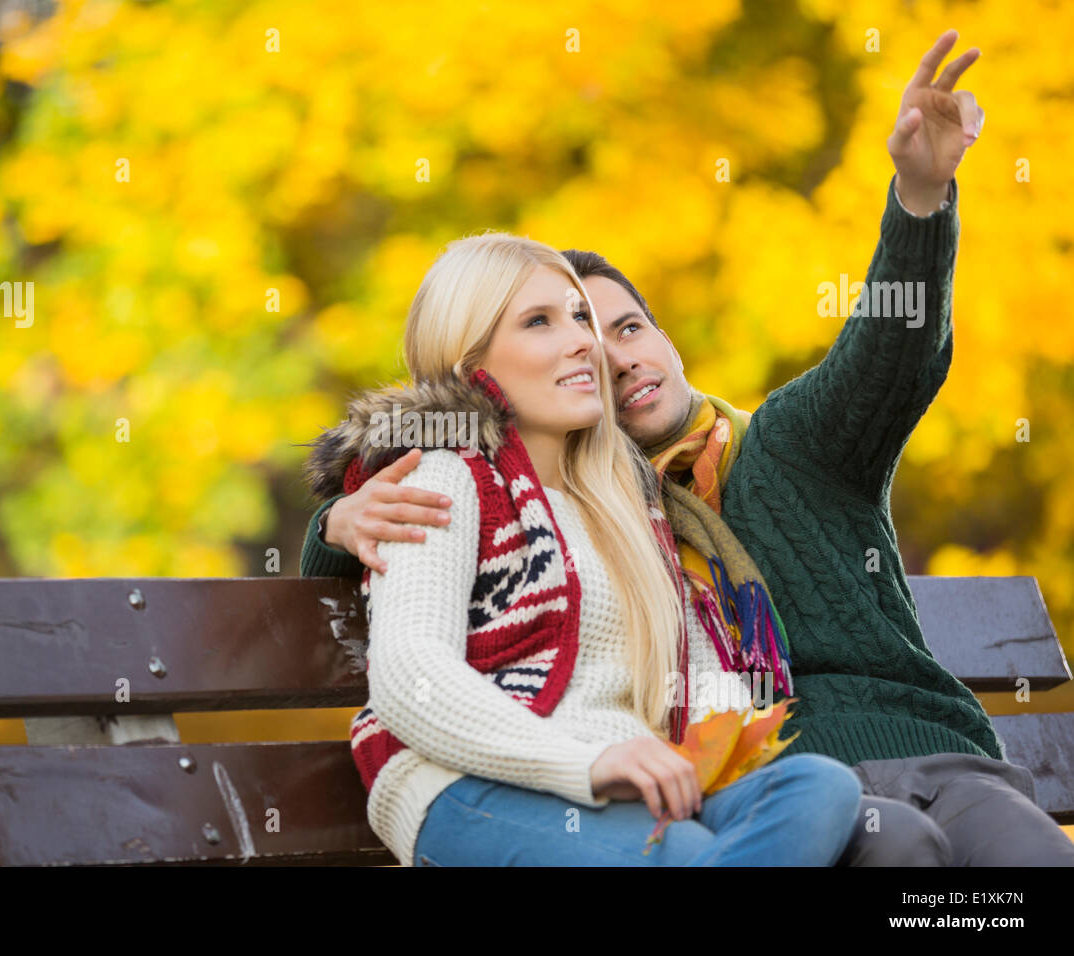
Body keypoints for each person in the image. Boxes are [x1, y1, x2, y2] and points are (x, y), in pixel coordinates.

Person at [300, 30, 1074, 866]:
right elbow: (420, 543)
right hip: (734, 791)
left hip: (903, 763)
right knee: (894, 852)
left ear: (668, 338)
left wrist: (919, 199)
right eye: (567, 330)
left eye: (622, 326)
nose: (608, 353)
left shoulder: (782, 448)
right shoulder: (573, 501)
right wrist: (338, 520)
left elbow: (889, 353)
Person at [302, 229, 863, 867]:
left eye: (578, 316)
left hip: (630, 788)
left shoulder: (628, 506)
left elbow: (700, 670)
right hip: (471, 784)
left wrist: (705, 760)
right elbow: (411, 679)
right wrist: (589, 763)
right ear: (470, 366)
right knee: (681, 853)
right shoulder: (442, 475)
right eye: (539, 322)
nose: (582, 340)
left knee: (817, 791)